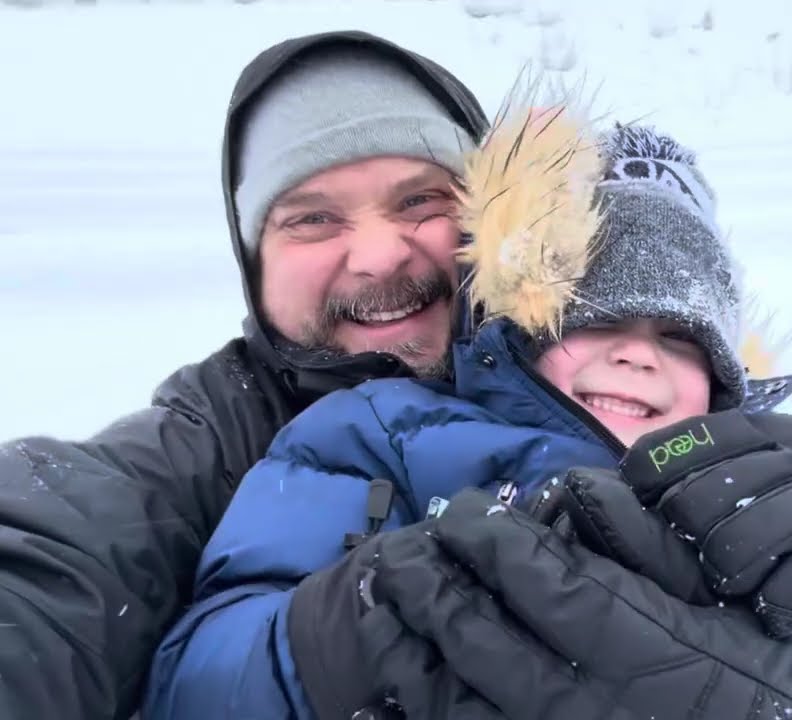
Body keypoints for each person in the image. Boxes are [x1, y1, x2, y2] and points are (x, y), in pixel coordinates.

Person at [141, 101, 792, 720]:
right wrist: (371, 624)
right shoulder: (382, 431)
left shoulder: (764, 477)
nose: (638, 354)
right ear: (517, 330)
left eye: (681, 339)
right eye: (593, 319)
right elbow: (199, 679)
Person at [0, 30, 488, 718]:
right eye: (313, 218)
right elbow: (54, 550)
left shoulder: (615, 384)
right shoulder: (211, 442)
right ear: (254, 262)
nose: (380, 255)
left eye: (421, 202)